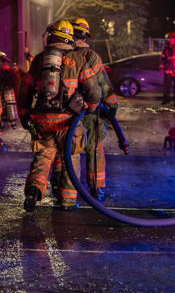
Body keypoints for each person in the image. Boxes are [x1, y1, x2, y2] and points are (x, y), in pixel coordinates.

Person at [17, 20, 102, 212]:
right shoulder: (79, 59)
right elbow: (94, 91)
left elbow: (24, 91)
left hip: (42, 120)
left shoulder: (39, 60)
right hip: (67, 122)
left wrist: (24, 117)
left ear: (52, 36)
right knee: (69, 159)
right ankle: (67, 201)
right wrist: (91, 107)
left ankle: (34, 190)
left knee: (43, 156)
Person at [54, 17, 118, 202]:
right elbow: (102, 84)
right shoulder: (90, 56)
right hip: (89, 111)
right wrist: (112, 105)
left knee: (66, 149)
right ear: (86, 36)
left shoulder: (60, 53)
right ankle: (96, 190)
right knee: (94, 147)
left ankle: (60, 186)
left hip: (65, 112)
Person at [160, 31, 175, 106]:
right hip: (168, 69)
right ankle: (166, 99)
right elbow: (162, 58)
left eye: (172, 38)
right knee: (166, 86)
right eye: (169, 38)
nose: (170, 40)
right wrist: (162, 67)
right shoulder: (166, 47)